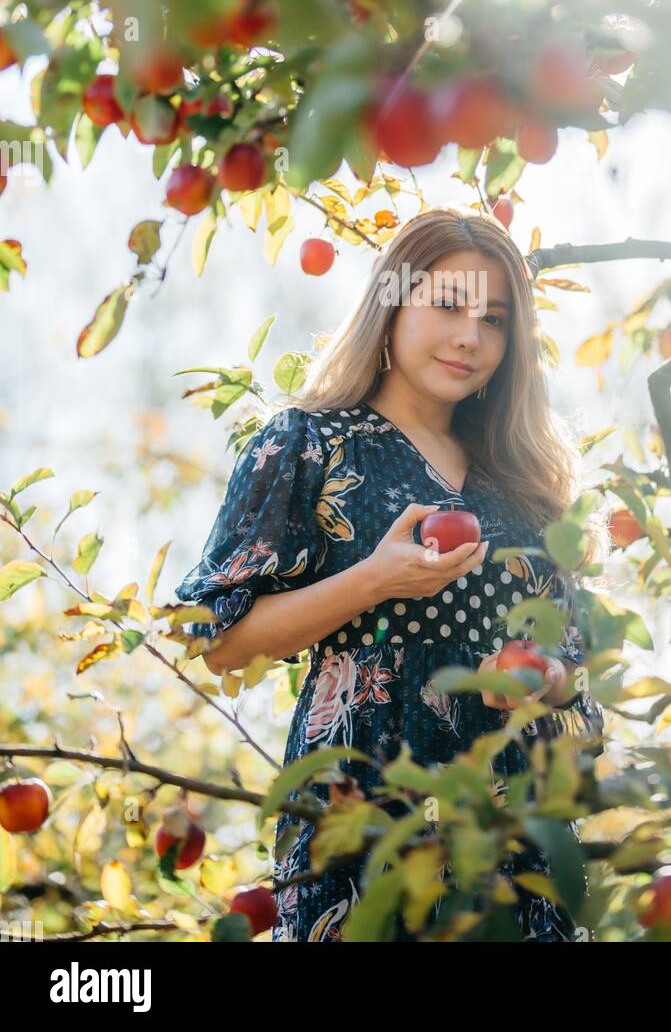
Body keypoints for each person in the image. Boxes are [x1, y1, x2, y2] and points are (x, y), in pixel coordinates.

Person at [174, 204, 606, 941]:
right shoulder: (310, 445)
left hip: (510, 839)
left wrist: (545, 678)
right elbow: (220, 641)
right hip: (364, 822)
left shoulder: (524, 485)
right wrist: (374, 579)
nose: (471, 336)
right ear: (393, 300)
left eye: (496, 319)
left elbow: (577, 670)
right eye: (448, 305)